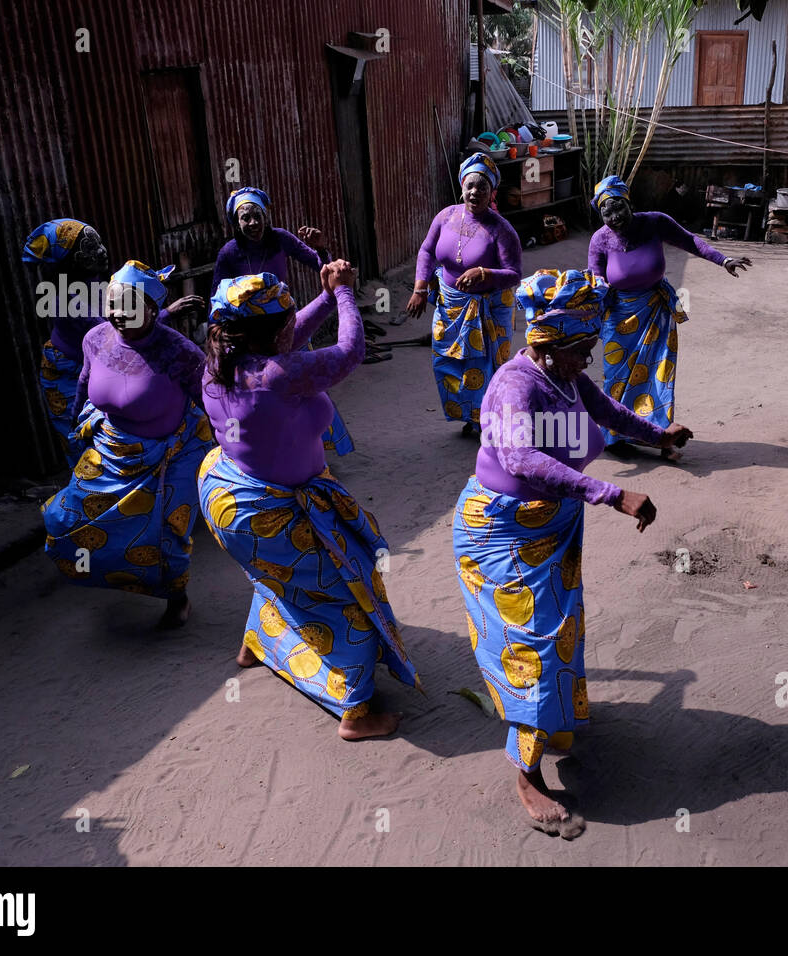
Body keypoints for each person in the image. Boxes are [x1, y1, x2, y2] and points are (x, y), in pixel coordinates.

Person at [453, 268, 691, 838]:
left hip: (553, 528)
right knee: (531, 647)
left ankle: (551, 724)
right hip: (504, 533)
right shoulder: (518, 384)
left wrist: (657, 434)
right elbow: (521, 458)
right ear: (551, 342)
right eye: (582, 348)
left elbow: (605, 411)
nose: (590, 358)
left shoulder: (563, 376)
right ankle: (526, 773)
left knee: (560, 633)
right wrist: (612, 493)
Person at [198, 265, 419, 740]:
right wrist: (342, 293)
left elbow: (284, 339)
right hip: (270, 512)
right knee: (347, 594)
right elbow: (349, 351)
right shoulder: (280, 374)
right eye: (288, 321)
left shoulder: (223, 359)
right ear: (275, 332)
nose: (292, 329)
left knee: (274, 576)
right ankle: (357, 714)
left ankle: (255, 644)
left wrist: (320, 297)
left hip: (230, 495)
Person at [42, 260, 214, 628]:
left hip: (171, 451)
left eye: (130, 306)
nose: (119, 314)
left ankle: (175, 598)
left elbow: (213, 399)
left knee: (167, 532)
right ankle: (110, 572)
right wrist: (78, 426)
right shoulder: (96, 338)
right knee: (65, 519)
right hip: (111, 445)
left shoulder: (178, 351)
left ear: (153, 310)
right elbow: (85, 386)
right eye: (113, 304)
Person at [586, 175, 750, 459]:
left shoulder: (655, 222)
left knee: (657, 376)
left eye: (618, 208)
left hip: (655, 312)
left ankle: (662, 438)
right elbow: (596, 277)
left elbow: (691, 241)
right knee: (617, 378)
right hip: (618, 318)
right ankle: (615, 435)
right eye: (606, 212)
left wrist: (723, 260)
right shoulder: (600, 239)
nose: (614, 217)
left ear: (629, 203)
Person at [22, 219, 201, 462]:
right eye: (88, 248)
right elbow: (117, 333)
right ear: (69, 260)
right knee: (82, 441)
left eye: (98, 243)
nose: (101, 251)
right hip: (68, 370)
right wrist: (167, 312)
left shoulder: (94, 280)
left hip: (101, 364)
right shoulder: (66, 301)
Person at [213, 186, 354, 457]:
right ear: (235, 222)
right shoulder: (229, 253)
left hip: (286, 327)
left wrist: (322, 249)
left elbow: (320, 266)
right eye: (245, 217)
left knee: (304, 382)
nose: (253, 223)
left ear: (267, 215)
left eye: (258, 215)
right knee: (259, 390)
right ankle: (269, 447)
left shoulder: (279, 239)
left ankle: (314, 444)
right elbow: (217, 296)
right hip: (248, 336)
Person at [408, 153, 522, 435]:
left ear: (491, 192)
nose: (474, 192)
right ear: (461, 186)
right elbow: (426, 251)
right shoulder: (445, 216)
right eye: (470, 185)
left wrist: (485, 273)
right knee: (447, 360)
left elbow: (515, 273)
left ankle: (487, 419)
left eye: (481, 187)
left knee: (486, 365)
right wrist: (420, 288)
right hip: (450, 305)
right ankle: (469, 415)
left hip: (489, 310)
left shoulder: (502, 230)